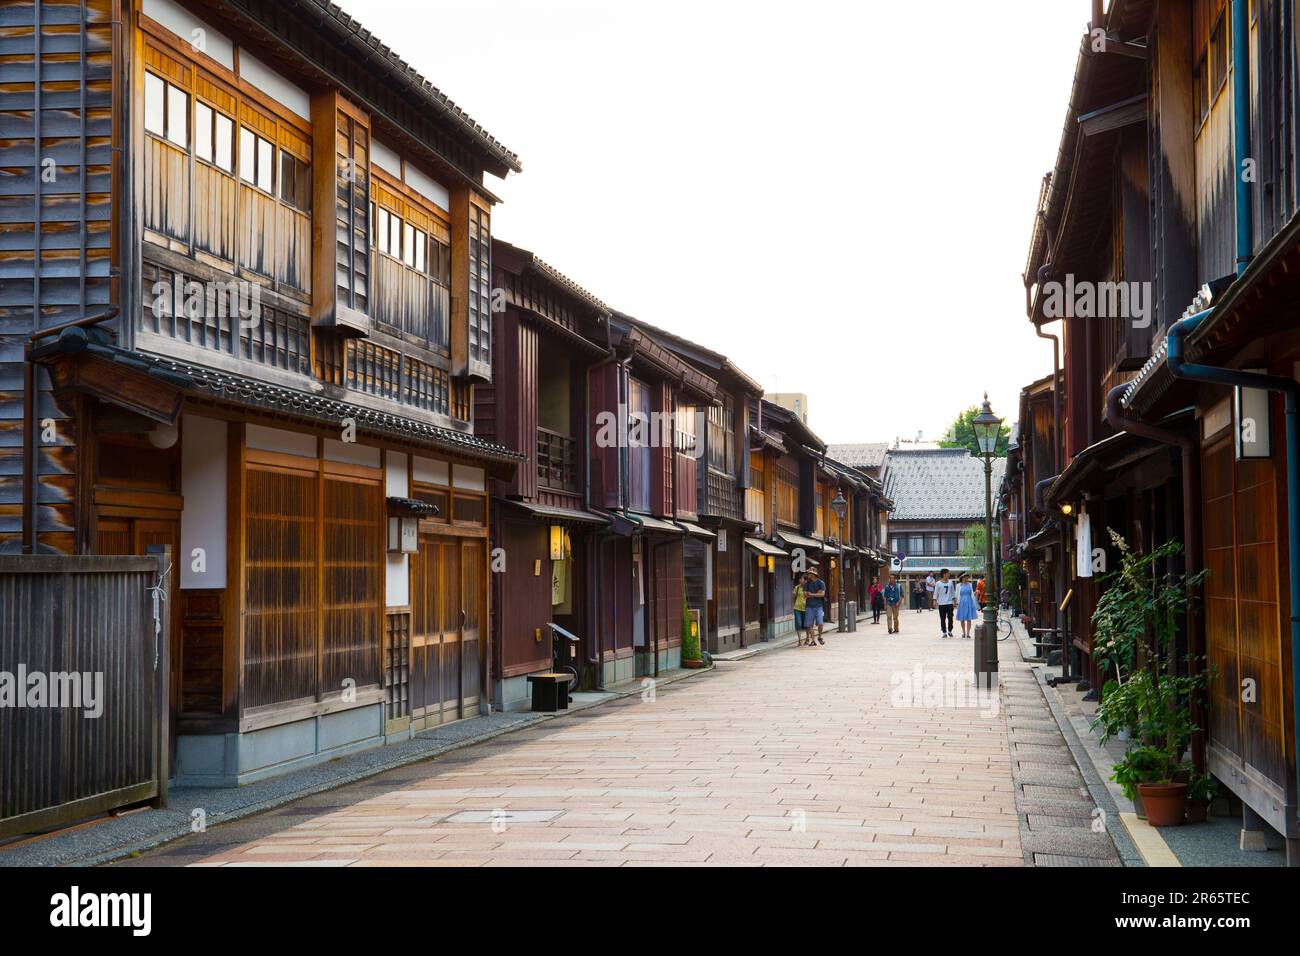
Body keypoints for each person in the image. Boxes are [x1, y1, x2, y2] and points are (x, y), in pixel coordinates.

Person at [803, 567, 827, 645]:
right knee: (809, 624)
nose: (808, 574)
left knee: (820, 622)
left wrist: (812, 594)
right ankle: (813, 640)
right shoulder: (807, 583)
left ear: (814, 574)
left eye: (809, 573)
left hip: (819, 606)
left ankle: (820, 636)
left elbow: (822, 594)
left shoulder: (821, 583)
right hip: (809, 606)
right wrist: (817, 593)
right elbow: (805, 595)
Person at [933, 568, 956, 638]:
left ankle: (950, 630)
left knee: (950, 617)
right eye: (948, 573)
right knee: (942, 618)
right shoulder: (938, 583)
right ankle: (944, 632)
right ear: (944, 574)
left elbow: (953, 592)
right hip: (941, 603)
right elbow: (936, 592)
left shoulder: (950, 582)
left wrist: (954, 601)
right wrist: (935, 601)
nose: (949, 574)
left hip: (949, 602)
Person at [956, 572, 978, 638]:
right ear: (962, 578)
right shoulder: (958, 585)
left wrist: (974, 603)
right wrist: (956, 603)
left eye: (967, 578)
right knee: (962, 618)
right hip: (962, 602)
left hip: (969, 601)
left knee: (969, 618)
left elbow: (972, 594)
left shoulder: (970, 585)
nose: (966, 579)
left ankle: (968, 633)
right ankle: (963, 632)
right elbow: (957, 595)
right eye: (965, 578)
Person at [793, 572, 809, 646]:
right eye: (800, 579)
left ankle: (807, 638)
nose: (800, 580)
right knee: (798, 624)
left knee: (806, 625)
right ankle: (799, 640)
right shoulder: (797, 587)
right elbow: (794, 596)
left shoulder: (808, 588)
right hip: (797, 608)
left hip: (806, 608)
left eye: (801, 579)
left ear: (805, 580)